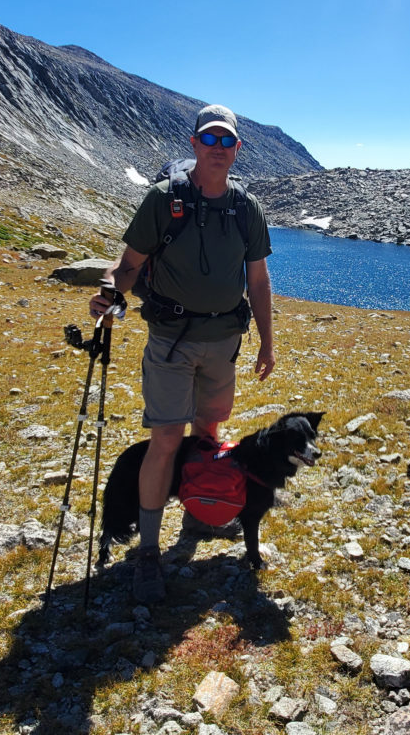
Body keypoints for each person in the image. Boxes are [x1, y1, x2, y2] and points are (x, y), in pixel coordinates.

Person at [88, 104, 275, 604]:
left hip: (224, 342)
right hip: (170, 339)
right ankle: (149, 553)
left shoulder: (246, 208)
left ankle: (199, 512)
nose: (218, 148)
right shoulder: (163, 201)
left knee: (209, 433)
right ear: (194, 145)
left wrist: (267, 342)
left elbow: (257, 280)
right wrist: (109, 291)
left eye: (226, 141)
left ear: (237, 149)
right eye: (208, 140)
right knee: (167, 439)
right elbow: (129, 265)